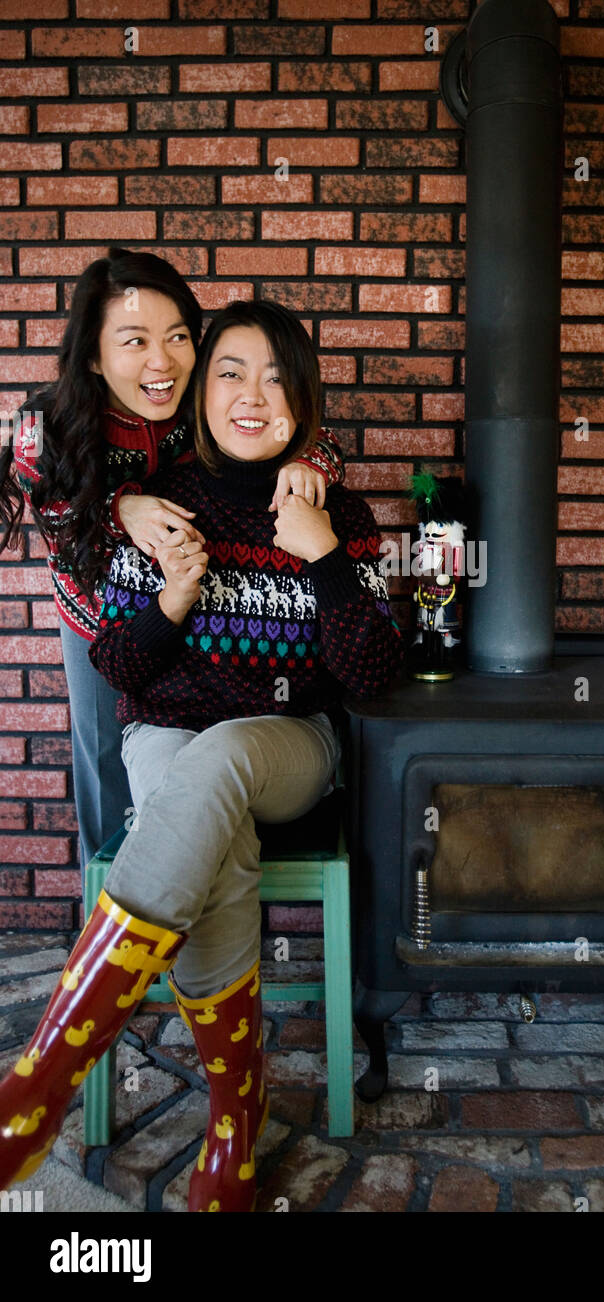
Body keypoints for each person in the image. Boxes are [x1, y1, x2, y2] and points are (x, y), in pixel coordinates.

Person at [0, 299, 405, 1210]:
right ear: (201, 392)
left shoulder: (331, 507)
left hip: (289, 746)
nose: (252, 395)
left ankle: (46, 1075)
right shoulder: (158, 503)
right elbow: (118, 666)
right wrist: (172, 597)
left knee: (215, 765)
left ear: (303, 399)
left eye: (274, 377)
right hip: (166, 741)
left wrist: (327, 556)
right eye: (230, 372)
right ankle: (236, 1118)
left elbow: (373, 671)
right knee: (209, 826)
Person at [0, 249, 345, 887]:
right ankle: (110, 920)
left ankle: (188, 913)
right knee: (110, 765)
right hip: (101, 618)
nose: (162, 362)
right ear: (95, 355)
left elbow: (299, 428)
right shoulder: (46, 427)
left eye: (179, 337)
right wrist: (118, 507)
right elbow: (59, 529)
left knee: (201, 766)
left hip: (206, 609)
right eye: (135, 341)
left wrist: (312, 467)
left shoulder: (198, 400)